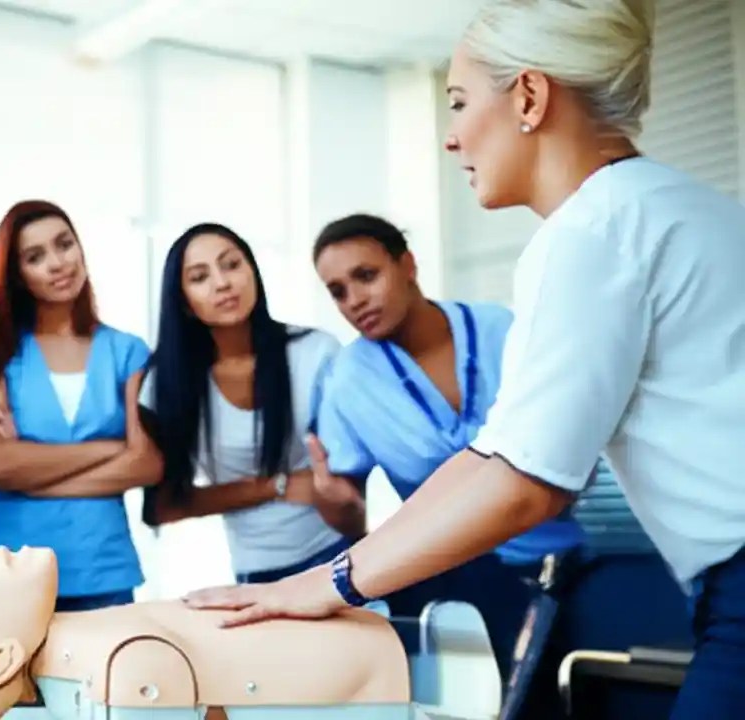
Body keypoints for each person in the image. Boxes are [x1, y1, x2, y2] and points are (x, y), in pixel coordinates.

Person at [183, 1, 745, 717]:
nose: (451, 140)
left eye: (458, 102)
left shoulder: (589, 233)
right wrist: (334, 571)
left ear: (530, 98)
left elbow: (524, 485)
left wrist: (327, 585)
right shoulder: (696, 208)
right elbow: (494, 458)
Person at [310, 212, 586, 690]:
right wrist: (332, 502)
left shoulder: (503, 329)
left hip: (565, 560)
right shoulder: (348, 380)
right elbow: (352, 515)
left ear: (408, 265)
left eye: (366, 276)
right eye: (337, 291)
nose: (354, 300)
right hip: (455, 576)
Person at [138, 223, 364, 586]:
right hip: (257, 573)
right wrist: (277, 485)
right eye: (200, 277)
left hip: (339, 553)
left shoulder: (316, 352)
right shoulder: (165, 382)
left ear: (252, 271)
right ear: (184, 301)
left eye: (231, 265)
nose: (223, 283)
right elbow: (163, 506)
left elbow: (351, 485)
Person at [0, 199, 158, 612]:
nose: (57, 263)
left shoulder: (128, 352)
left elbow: (147, 464)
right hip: (7, 566)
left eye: (64, 244)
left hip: (101, 565)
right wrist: (111, 448)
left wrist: (30, 474)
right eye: (35, 257)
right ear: (17, 274)